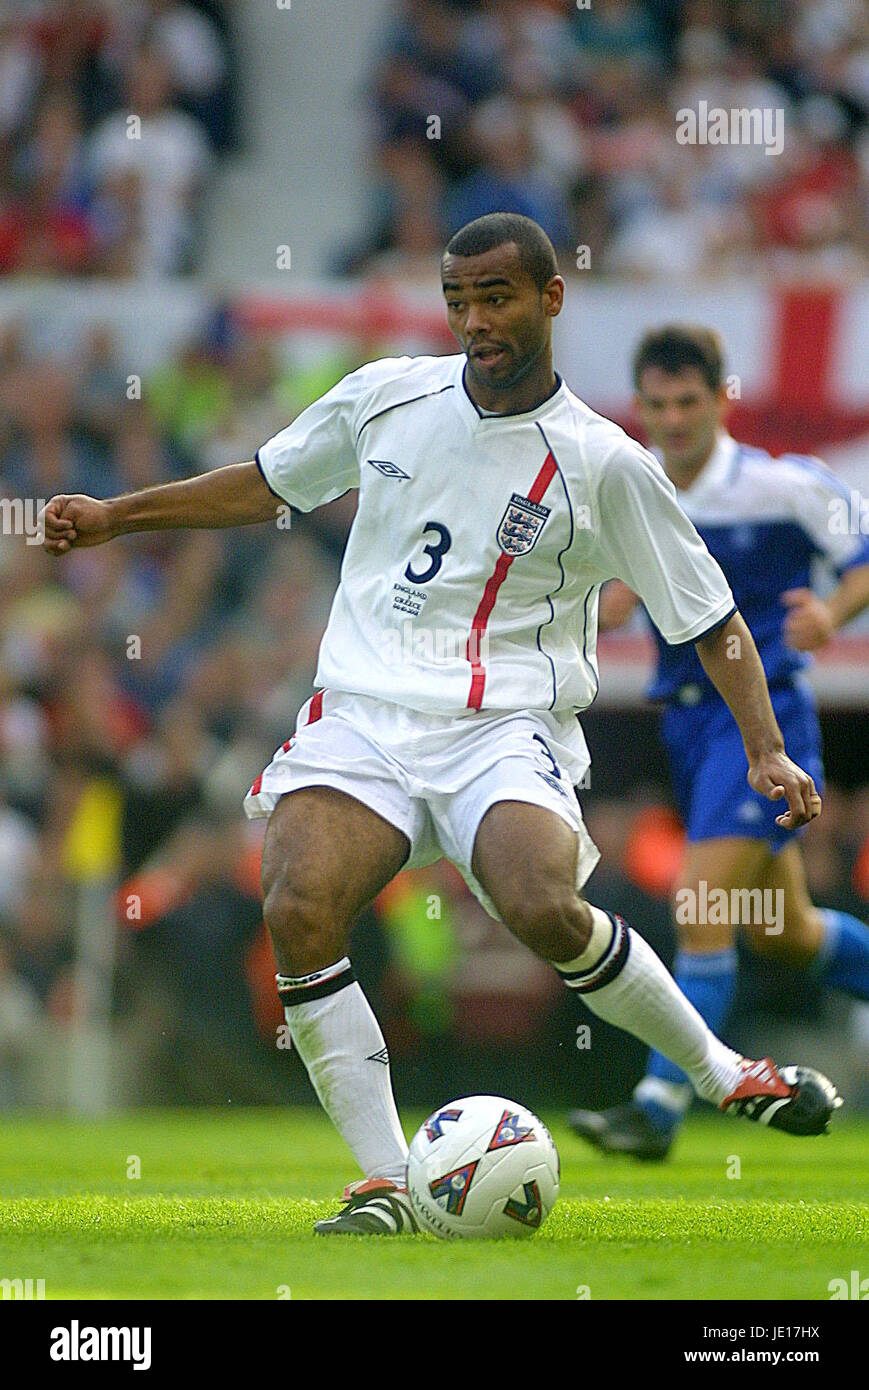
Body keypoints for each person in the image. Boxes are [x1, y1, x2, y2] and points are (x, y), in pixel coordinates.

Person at [41, 215, 838, 1236]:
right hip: (364, 718)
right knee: (296, 897)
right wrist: (118, 514)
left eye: (496, 298)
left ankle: (722, 1074)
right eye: (458, 299)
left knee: (539, 903)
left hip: (504, 727)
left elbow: (713, 622)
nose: (474, 321)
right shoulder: (387, 395)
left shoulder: (603, 464)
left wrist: (764, 746)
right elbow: (265, 482)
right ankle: (385, 1184)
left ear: (550, 300)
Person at [569, 324, 869, 1160]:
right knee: (784, 929)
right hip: (690, 726)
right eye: (656, 404)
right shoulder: (634, 492)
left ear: (720, 399)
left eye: (686, 402)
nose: (671, 420)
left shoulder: (783, 486)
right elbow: (603, 587)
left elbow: (861, 560)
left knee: (700, 904)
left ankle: (658, 1106)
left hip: (767, 721)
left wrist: (832, 614)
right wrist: (612, 598)